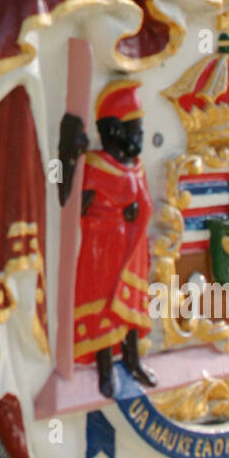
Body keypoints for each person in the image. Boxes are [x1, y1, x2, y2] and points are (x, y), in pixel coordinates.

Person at [60, 79, 156, 397]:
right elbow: (75, 208)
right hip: (102, 253)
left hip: (134, 252)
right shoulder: (96, 167)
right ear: (114, 131)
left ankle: (133, 359)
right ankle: (105, 368)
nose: (140, 135)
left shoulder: (137, 166)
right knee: (103, 310)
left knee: (131, 306)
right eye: (135, 128)